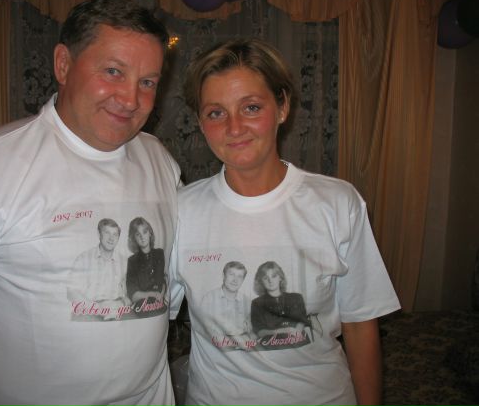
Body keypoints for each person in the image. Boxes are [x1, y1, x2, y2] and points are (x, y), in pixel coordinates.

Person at [0, 0, 181, 406]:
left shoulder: (160, 161)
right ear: (63, 64)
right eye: (113, 71)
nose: (130, 99)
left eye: (147, 82)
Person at [169, 38, 401, 406]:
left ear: (282, 107)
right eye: (216, 113)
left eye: (251, 107)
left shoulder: (337, 204)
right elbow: (149, 326)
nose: (234, 127)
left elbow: (360, 325)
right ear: (200, 122)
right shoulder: (179, 211)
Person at [66, 218, 130, 321]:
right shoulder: (83, 259)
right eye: (107, 233)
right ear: (99, 234)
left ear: (118, 237)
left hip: (116, 311)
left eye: (115, 234)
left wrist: (120, 303)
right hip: (89, 310)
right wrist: (98, 308)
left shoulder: (125, 262)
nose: (111, 238)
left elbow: (130, 294)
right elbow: (71, 291)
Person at [250, 261, 311, 348]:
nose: (270, 281)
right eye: (265, 278)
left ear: (280, 278)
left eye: (274, 276)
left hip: (298, 342)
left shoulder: (296, 297)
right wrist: (285, 330)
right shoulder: (257, 303)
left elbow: (302, 320)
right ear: (261, 281)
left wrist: (297, 331)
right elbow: (259, 332)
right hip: (272, 345)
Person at [199, 261, 254, 351]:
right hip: (215, 349)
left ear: (243, 280)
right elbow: (205, 331)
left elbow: (251, 332)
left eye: (239, 276)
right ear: (223, 275)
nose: (235, 280)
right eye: (231, 274)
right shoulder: (209, 299)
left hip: (243, 351)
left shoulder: (247, 302)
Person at [126, 216, 167, 316]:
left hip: (160, 304)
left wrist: (161, 293)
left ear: (150, 233)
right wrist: (153, 294)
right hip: (142, 307)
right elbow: (133, 295)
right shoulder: (132, 261)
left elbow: (162, 281)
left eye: (144, 232)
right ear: (134, 239)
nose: (142, 237)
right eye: (138, 234)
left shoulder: (159, 254)